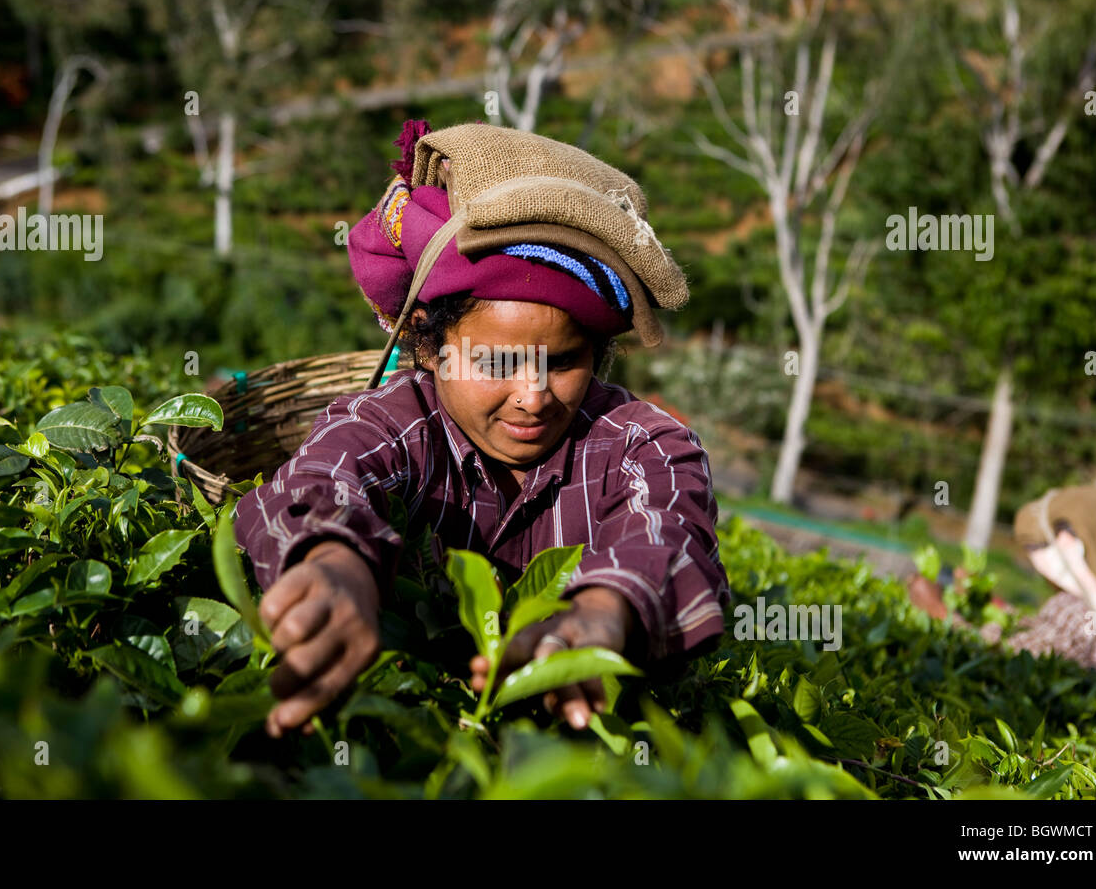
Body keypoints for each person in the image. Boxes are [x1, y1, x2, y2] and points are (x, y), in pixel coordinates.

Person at [233, 119, 731, 739]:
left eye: (565, 362)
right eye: (496, 361)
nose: (532, 396)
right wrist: (336, 562)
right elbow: (325, 475)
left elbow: (666, 526)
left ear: (598, 356)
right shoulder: (398, 420)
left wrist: (603, 614)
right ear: (432, 348)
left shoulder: (639, 443)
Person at [907, 485, 1096, 678]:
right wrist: (989, 600)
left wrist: (935, 608)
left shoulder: (1082, 610)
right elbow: (1040, 627)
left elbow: (1011, 660)